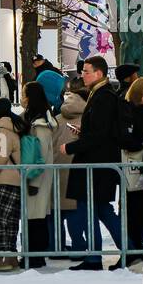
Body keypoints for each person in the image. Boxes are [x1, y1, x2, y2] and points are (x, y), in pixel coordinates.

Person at [61, 55, 125, 271]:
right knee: (100, 210)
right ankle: (120, 251)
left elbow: (100, 134)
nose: (83, 75)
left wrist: (71, 147)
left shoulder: (103, 96)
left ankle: (99, 256)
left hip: (96, 164)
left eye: (86, 71)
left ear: (99, 74)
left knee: (94, 209)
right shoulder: (99, 95)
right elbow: (99, 131)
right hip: (97, 163)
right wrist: (82, 132)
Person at [0, 96, 28, 272]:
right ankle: (11, 257)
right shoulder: (15, 127)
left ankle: (0, 257)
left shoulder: (3, 131)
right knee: (10, 221)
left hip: (4, 180)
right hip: (16, 179)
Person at [119, 76, 143, 266]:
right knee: (135, 209)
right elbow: (129, 138)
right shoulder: (130, 112)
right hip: (134, 167)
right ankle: (131, 246)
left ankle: (136, 244)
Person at [21, 81, 57, 269]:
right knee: (33, 216)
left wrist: (34, 180)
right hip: (32, 175)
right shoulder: (34, 119)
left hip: (36, 177)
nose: (21, 97)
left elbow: (40, 154)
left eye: (24, 93)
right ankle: (32, 254)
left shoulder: (41, 124)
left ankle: (36, 256)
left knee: (36, 216)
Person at [50, 80, 88, 258]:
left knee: (55, 212)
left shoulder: (56, 119)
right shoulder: (88, 119)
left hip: (56, 171)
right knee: (76, 212)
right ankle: (80, 246)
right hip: (78, 171)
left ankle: (55, 246)